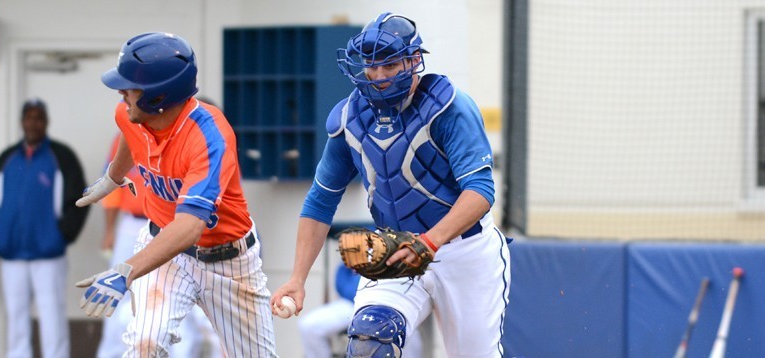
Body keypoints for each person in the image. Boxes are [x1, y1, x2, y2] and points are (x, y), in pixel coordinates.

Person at [271, 12, 512, 358]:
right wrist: (297, 278)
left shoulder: (448, 106)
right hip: (395, 248)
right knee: (370, 343)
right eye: (371, 65)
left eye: (390, 65)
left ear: (415, 61)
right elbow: (320, 202)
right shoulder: (349, 118)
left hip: (463, 250)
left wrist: (429, 242)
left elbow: (481, 192)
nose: (378, 76)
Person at [74, 32, 277, 357]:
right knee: (145, 343)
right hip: (167, 254)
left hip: (229, 261)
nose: (121, 92)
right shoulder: (131, 112)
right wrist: (113, 177)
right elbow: (130, 131)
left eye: (130, 87)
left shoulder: (209, 136)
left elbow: (190, 226)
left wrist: (125, 270)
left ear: (158, 97)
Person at [96, 133, 222, 358]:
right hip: (131, 223)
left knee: (175, 297)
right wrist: (109, 230)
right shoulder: (126, 135)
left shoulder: (184, 136)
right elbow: (112, 187)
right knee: (116, 293)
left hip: (172, 226)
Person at [0, 98, 90, 358]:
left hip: (48, 254)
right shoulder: (7, 158)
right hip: (12, 255)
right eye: (29, 117)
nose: (33, 123)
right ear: (21, 122)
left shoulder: (61, 156)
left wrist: (61, 235)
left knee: (51, 315)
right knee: (16, 317)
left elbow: (81, 199)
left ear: (46, 122)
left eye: (39, 117)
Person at [298, 263, 423, 357]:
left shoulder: (395, 256)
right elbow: (341, 284)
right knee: (309, 325)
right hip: (349, 304)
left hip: (387, 305)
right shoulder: (353, 257)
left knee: (405, 330)